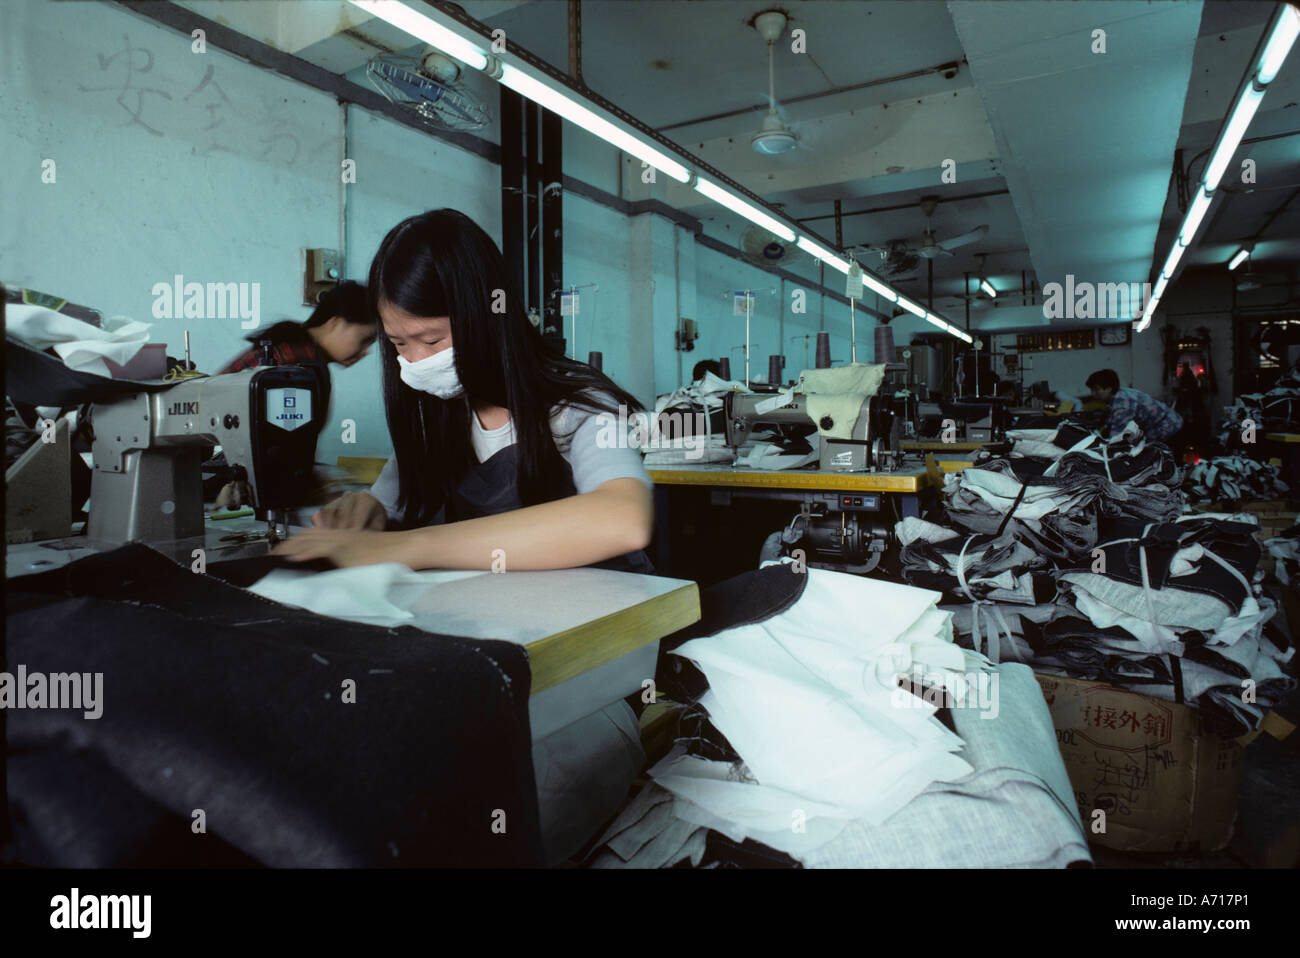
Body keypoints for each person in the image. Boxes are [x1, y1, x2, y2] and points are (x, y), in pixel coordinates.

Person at [271, 208, 655, 572]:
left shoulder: (575, 405)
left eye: (432, 340)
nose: (416, 361)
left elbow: (623, 519)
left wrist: (409, 547)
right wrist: (366, 509)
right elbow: (388, 503)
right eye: (399, 344)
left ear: (487, 319)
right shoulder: (435, 415)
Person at [209, 281, 376, 508]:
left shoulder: (296, 352)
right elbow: (279, 458)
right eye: (366, 339)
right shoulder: (299, 365)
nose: (366, 351)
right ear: (336, 322)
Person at [1085, 368, 1183, 444]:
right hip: (1162, 425)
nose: (1093, 394)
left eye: (1096, 389)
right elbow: (1110, 423)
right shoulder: (1117, 396)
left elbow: (1116, 437)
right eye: (1092, 390)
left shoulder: (1123, 403)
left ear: (1109, 388)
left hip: (1169, 427)